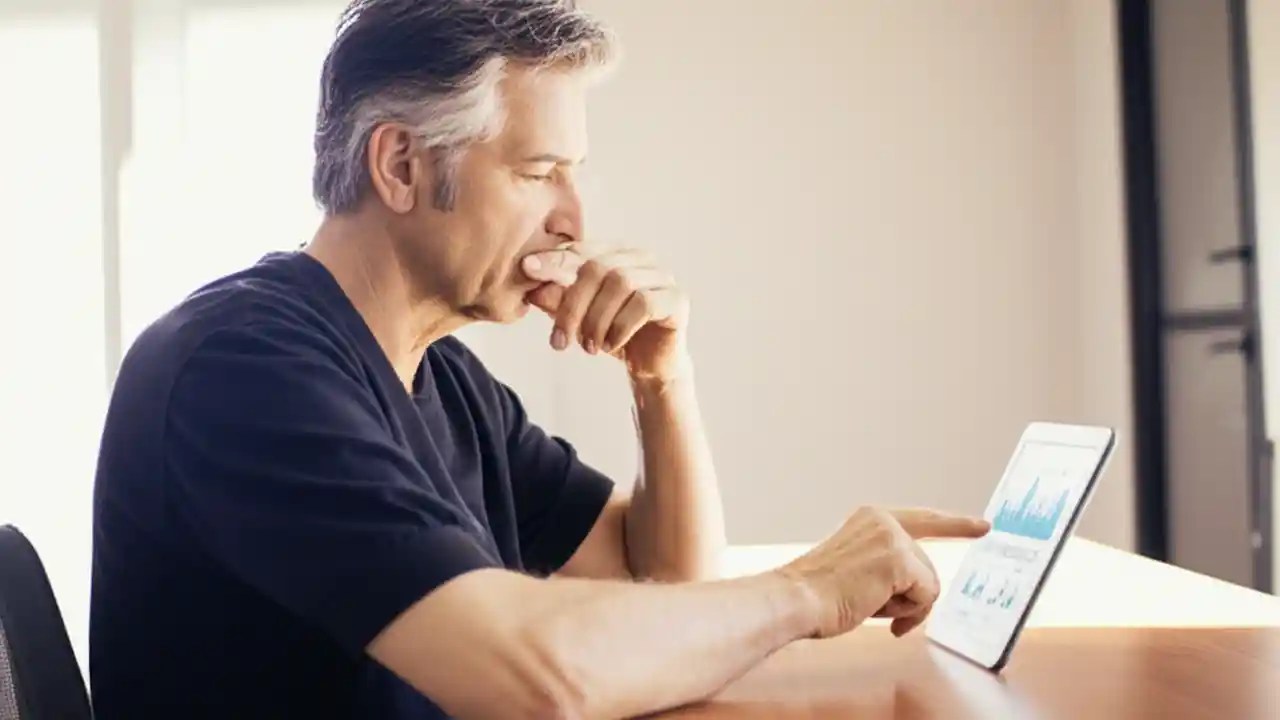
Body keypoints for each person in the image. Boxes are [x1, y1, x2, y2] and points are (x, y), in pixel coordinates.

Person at [89, 1, 989, 717]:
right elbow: (536, 680)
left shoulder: (440, 376)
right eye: (537, 172)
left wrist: (661, 379)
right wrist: (806, 591)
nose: (575, 220)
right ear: (400, 165)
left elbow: (663, 580)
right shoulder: (244, 372)